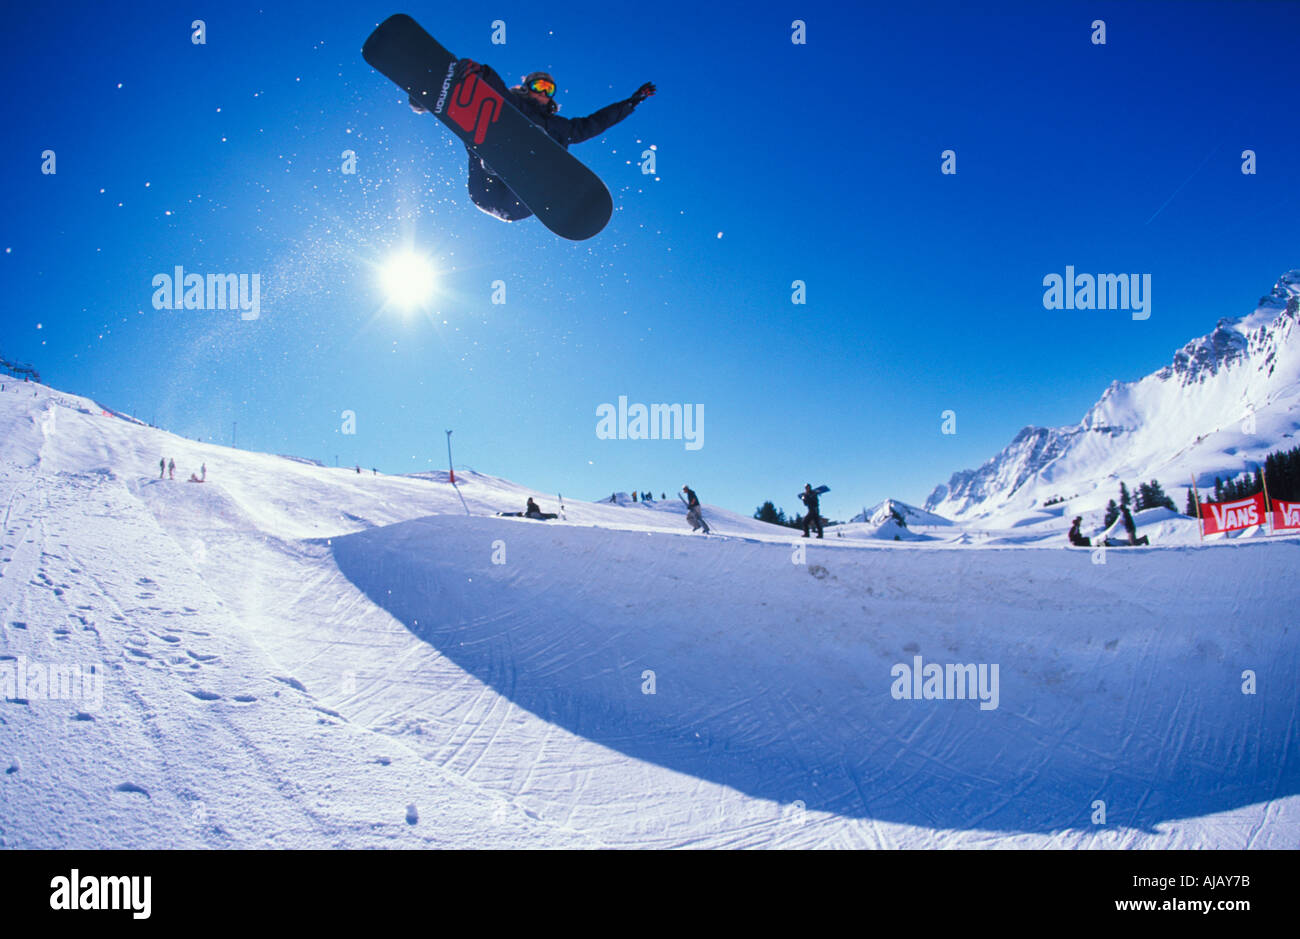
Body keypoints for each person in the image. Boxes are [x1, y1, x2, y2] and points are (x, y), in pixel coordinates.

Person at [411, 63, 655, 222]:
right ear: (527, 88)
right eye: (538, 85)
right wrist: (479, 74)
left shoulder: (561, 127)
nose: (543, 92)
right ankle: (497, 158)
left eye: (549, 89)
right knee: (485, 114)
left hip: (519, 203)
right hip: (485, 186)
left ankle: (519, 164)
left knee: (544, 138)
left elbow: (595, 122)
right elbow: (492, 91)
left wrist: (631, 103)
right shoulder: (509, 104)